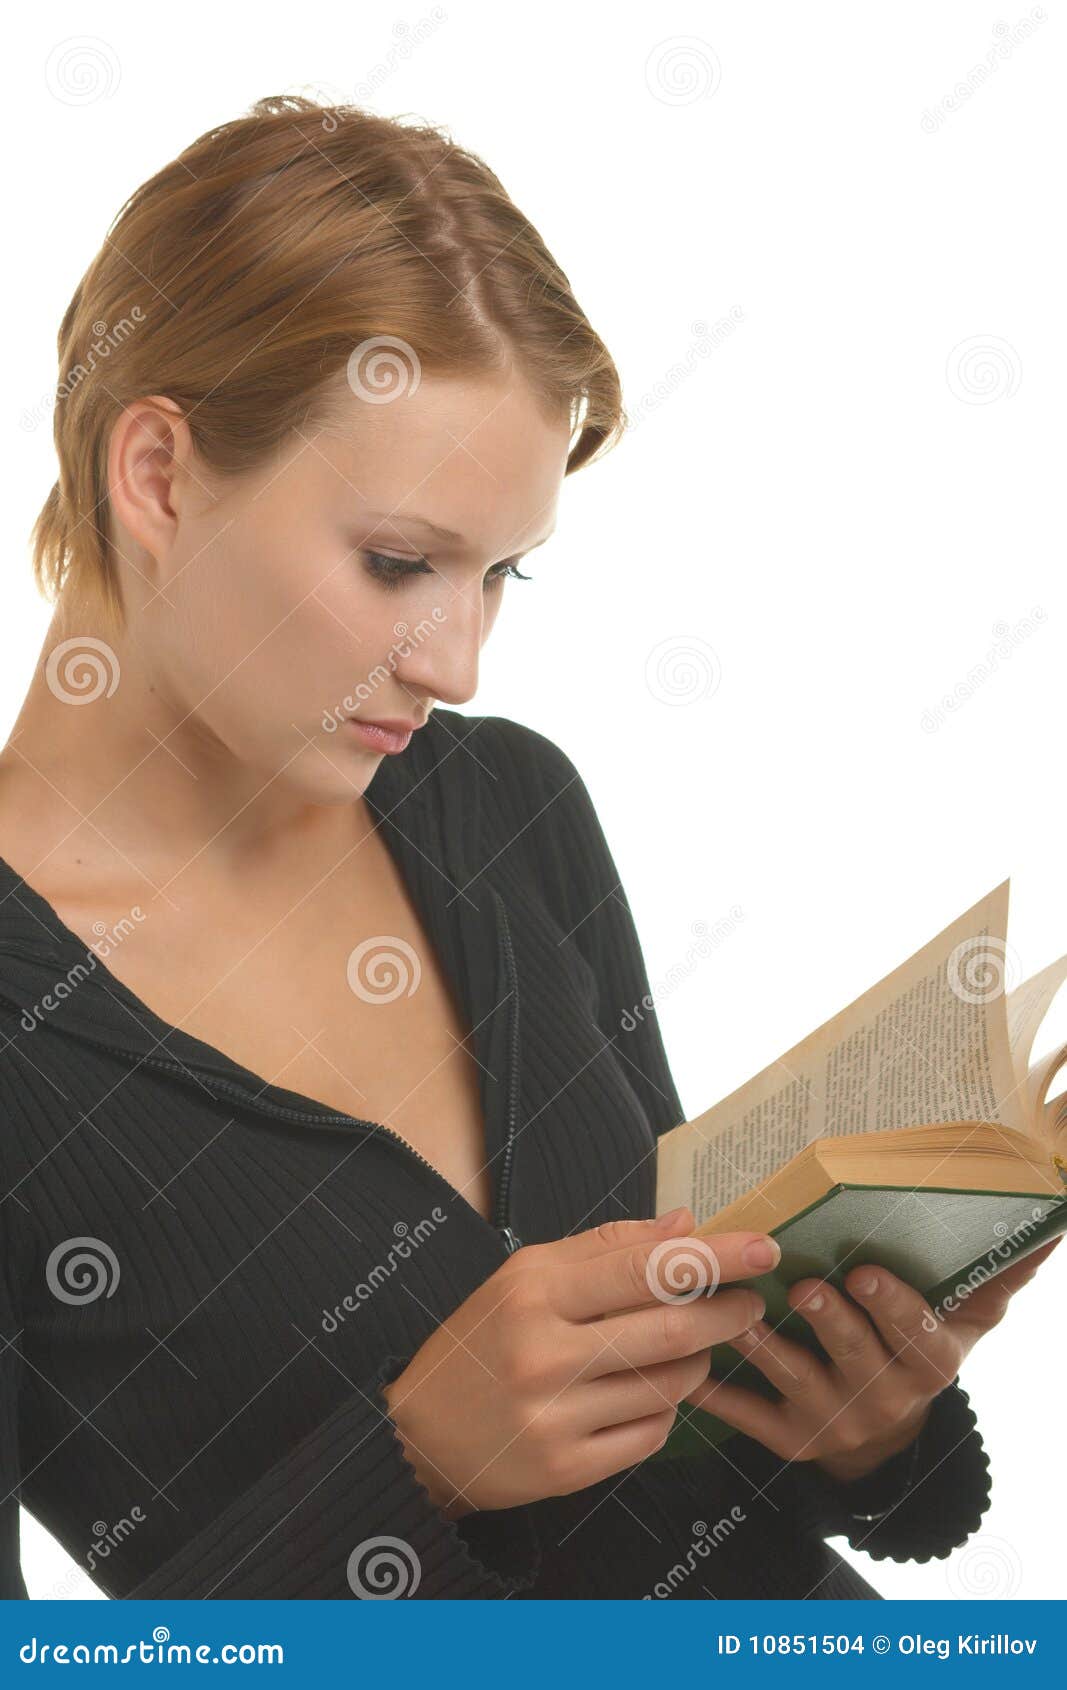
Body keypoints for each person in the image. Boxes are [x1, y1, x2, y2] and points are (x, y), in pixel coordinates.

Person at [0, 94, 1050, 1601]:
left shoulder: (505, 806)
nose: (458, 663)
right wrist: (417, 1461)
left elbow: (691, 1428)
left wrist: (856, 1420)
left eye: (502, 575)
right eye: (397, 562)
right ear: (157, 474)